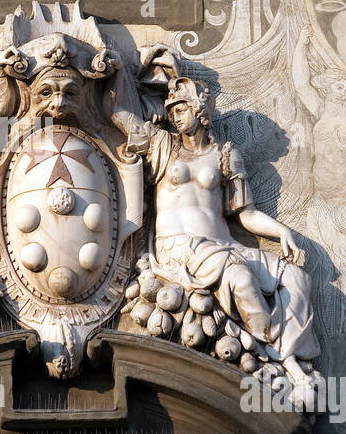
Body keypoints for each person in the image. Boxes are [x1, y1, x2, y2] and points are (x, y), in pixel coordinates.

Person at [123, 62, 322, 402]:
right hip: (180, 250)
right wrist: (122, 70)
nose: (175, 115)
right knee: (241, 278)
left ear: (200, 110)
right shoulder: (162, 146)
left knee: (295, 279)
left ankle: (283, 349)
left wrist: (282, 232)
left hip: (222, 245)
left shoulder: (226, 155)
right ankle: (284, 363)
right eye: (171, 110)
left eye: (181, 108)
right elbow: (121, 116)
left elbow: (247, 215)